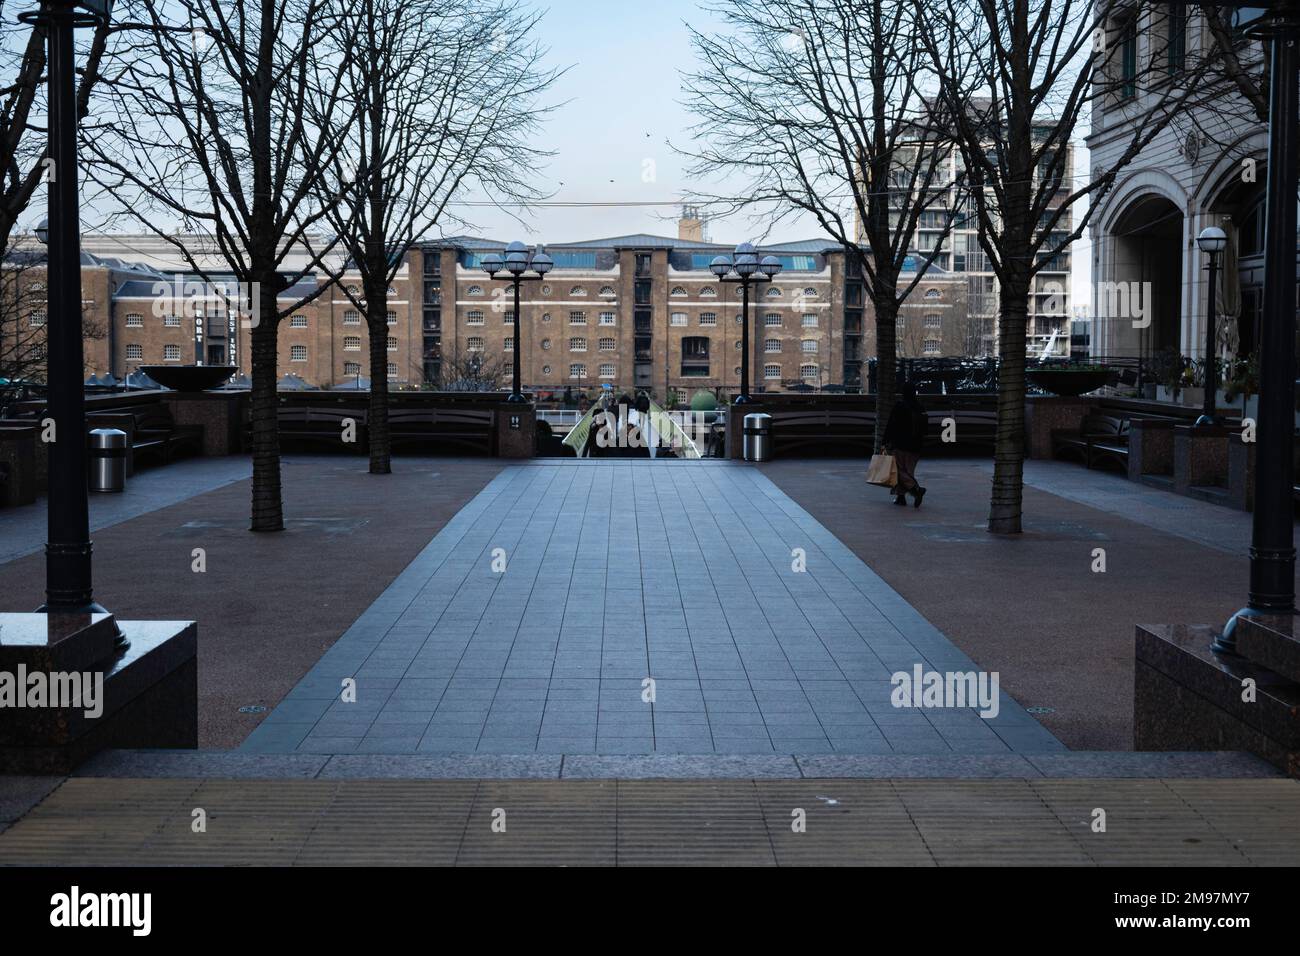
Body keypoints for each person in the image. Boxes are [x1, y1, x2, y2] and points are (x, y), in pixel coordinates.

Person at [882, 381, 929, 507]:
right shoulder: (920, 407)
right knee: (908, 472)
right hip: (916, 446)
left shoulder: (900, 406)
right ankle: (901, 497)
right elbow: (926, 428)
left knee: (898, 471)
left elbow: (891, 425)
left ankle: (915, 490)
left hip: (901, 444)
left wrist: (885, 441)